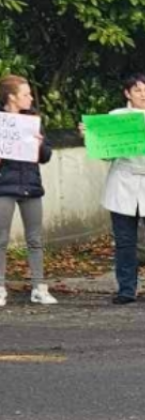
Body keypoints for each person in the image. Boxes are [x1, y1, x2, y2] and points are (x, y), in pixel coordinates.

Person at [82, 73, 145, 305]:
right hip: (123, 182)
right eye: (137, 90)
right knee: (124, 240)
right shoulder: (116, 117)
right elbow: (106, 154)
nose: (143, 94)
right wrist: (91, 137)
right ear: (127, 94)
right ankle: (126, 288)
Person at [0, 74, 57, 307]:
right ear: (11, 97)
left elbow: (46, 156)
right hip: (4, 186)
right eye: (25, 94)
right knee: (1, 239)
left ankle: (38, 286)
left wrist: (41, 143)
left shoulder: (32, 119)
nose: (30, 98)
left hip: (31, 186)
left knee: (35, 239)